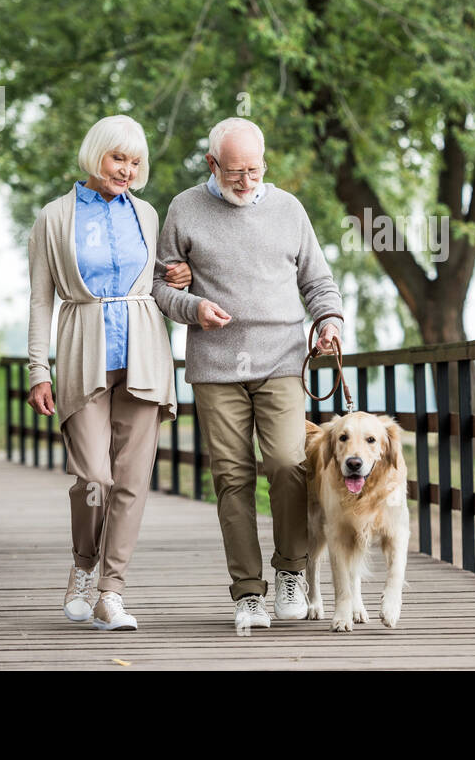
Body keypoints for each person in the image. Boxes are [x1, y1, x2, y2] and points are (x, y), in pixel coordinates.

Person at [151, 117, 342, 631]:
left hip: (280, 358)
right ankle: (247, 593)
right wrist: (193, 308)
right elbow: (158, 285)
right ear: (213, 164)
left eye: (254, 171)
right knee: (231, 477)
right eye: (235, 172)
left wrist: (328, 321)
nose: (245, 182)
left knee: (286, 463)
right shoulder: (185, 208)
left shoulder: (288, 209)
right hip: (215, 365)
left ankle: (291, 571)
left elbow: (318, 280)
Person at [26, 114, 188, 630]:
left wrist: (175, 274)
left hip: (143, 351)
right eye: (118, 158)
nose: (127, 169)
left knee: (133, 480)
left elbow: (150, 276)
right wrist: (38, 369)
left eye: (135, 161)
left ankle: (111, 592)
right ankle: (82, 567)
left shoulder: (147, 212)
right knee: (94, 477)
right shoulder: (55, 217)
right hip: (82, 353)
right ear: (95, 154)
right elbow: (39, 300)